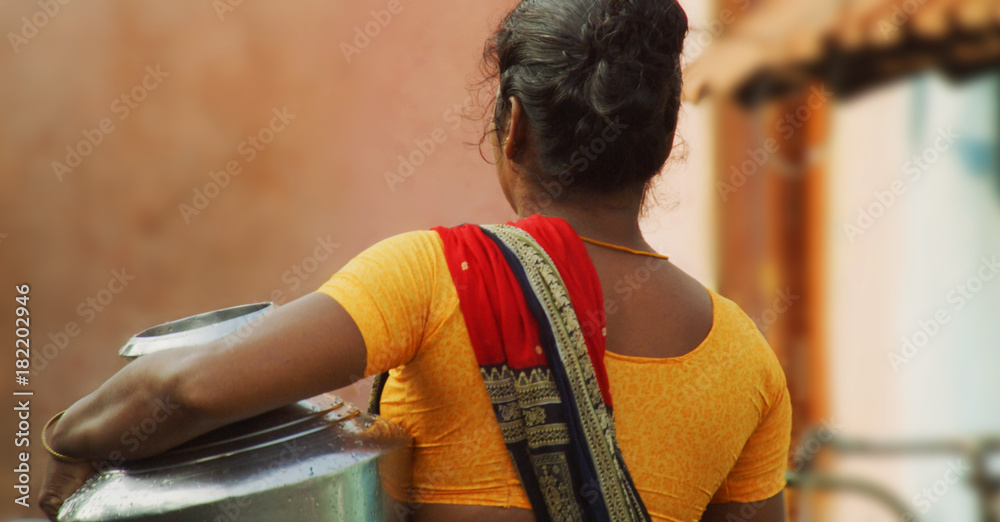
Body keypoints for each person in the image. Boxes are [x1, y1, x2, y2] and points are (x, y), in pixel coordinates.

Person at [40, 0, 792, 520]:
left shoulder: (442, 275)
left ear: (515, 127)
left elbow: (184, 391)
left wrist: (70, 446)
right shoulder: (745, 359)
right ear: (662, 144)